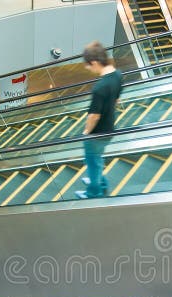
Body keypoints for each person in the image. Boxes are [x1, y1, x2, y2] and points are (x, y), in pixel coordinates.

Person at [75, 41, 122, 199]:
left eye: (88, 65)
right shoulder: (118, 75)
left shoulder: (100, 88)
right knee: (97, 158)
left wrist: (86, 132)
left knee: (93, 161)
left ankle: (93, 191)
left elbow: (94, 115)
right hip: (110, 128)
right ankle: (100, 182)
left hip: (97, 134)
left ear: (95, 63)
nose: (88, 68)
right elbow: (116, 100)